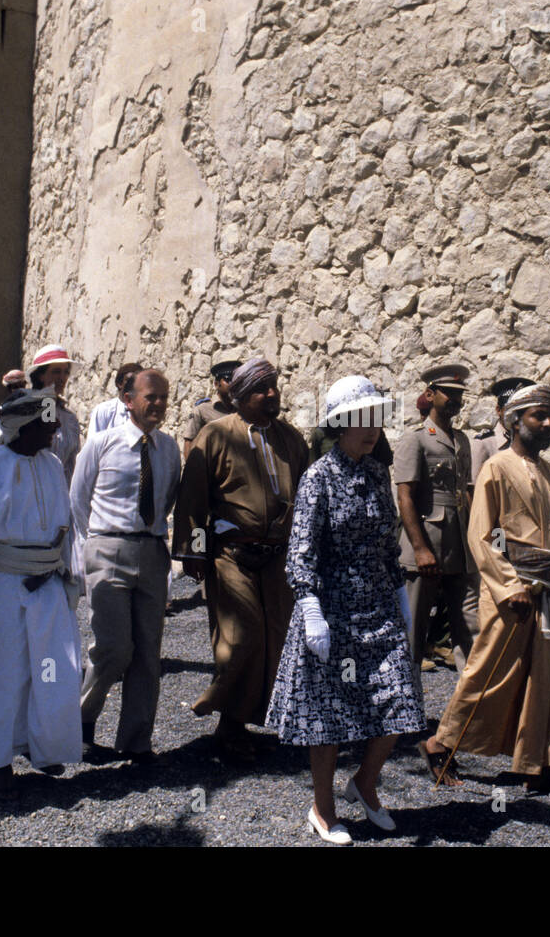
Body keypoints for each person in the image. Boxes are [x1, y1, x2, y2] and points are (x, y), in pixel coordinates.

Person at [267, 376, 423, 844]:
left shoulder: (377, 474)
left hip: (378, 605)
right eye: (360, 419)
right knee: (329, 714)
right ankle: (323, 807)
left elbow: (385, 546)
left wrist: (400, 596)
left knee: (402, 701)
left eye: (375, 418)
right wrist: (311, 607)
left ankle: (365, 784)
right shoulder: (318, 478)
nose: (370, 428)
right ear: (339, 425)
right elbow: (301, 552)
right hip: (331, 613)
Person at [420, 384, 550, 796]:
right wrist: (508, 584)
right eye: (538, 416)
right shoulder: (496, 467)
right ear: (514, 421)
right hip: (511, 592)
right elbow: (486, 534)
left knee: (546, 677)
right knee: (490, 674)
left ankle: (539, 763)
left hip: (546, 591)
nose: (548, 424)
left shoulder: (546, 470)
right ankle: (439, 744)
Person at [173, 357, 310, 757]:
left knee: (276, 639)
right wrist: (193, 552)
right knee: (241, 634)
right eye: (261, 390)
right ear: (241, 397)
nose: (271, 396)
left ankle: (243, 723)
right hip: (231, 555)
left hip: (279, 557)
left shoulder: (291, 439)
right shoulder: (216, 435)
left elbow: (307, 496)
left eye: (274, 388)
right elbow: (193, 497)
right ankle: (221, 708)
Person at [0, 389, 84, 801]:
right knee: (2, 676)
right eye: (45, 425)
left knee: (50, 668)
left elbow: (65, 528)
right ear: (20, 427)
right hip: (1, 589)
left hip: (47, 585)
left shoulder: (50, 466)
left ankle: (43, 747)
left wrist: (69, 578)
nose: (53, 432)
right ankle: (0, 762)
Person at [71, 369, 180, 763]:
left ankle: (136, 742)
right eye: (151, 396)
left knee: (148, 654)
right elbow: (79, 500)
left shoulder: (168, 449)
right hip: (108, 549)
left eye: (164, 397)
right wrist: (96, 546)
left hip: (151, 551)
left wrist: (151, 537)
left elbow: (166, 501)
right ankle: (80, 723)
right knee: (113, 647)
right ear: (128, 399)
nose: (159, 404)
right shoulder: (101, 444)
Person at [394, 363, 480, 671]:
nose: (455, 400)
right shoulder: (415, 439)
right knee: (413, 631)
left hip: (459, 545)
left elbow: (465, 493)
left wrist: (477, 539)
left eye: (460, 395)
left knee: (470, 629)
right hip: (426, 546)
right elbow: (405, 496)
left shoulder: (462, 440)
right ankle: (405, 709)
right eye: (449, 394)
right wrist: (419, 549)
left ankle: (472, 706)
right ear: (430, 395)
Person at [28, 344, 81, 482]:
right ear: (40, 375)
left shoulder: (70, 419)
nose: (62, 378)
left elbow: (72, 465)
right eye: (56, 372)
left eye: (66, 372)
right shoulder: (26, 411)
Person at [470, 376, 534, 483]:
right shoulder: (485, 443)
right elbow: (473, 488)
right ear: (499, 410)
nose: (516, 416)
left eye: (521, 410)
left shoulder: (529, 443)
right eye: (511, 410)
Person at [180, 359, 240, 458]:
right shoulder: (202, 410)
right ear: (216, 384)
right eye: (228, 380)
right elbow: (189, 444)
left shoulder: (242, 410)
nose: (233, 384)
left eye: (236, 381)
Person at [86, 362, 142, 436]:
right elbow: (93, 443)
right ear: (119, 384)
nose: (134, 385)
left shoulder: (142, 412)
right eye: (129, 381)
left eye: (138, 382)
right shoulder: (104, 411)